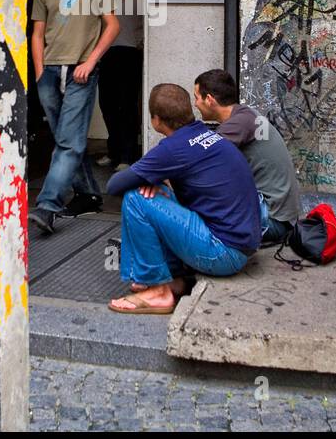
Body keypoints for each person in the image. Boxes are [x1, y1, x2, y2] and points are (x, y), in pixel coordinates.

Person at [105, 83, 260, 314]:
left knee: (136, 198)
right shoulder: (205, 134)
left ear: (156, 120)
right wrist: (155, 180)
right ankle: (175, 280)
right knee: (161, 193)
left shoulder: (172, 148)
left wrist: (149, 178)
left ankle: (158, 290)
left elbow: (113, 185)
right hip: (242, 245)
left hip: (223, 253)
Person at [29, 0, 120, 234]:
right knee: (66, 139)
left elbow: (112, 25)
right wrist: (40, 72)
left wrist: (91, 61)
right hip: (50, 70)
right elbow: (37, 33)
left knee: (68, 141)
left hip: (81, 69)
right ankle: (89, 193)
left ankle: (48, 205)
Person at [192, 69, 304, 245]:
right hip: (283, 217)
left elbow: (199, 162)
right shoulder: (245, 115)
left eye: (197, 97)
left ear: (210, 100)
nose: (195, 104)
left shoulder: (239, 123)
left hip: (274, 221)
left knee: (193, 209)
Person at [96, 0, 144, 170]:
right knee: (107, 103)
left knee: (127, 104)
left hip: (131, 52)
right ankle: (113, 151)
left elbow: (150, 19)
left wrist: (143, 41)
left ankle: (127, 155)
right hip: (107, 51)